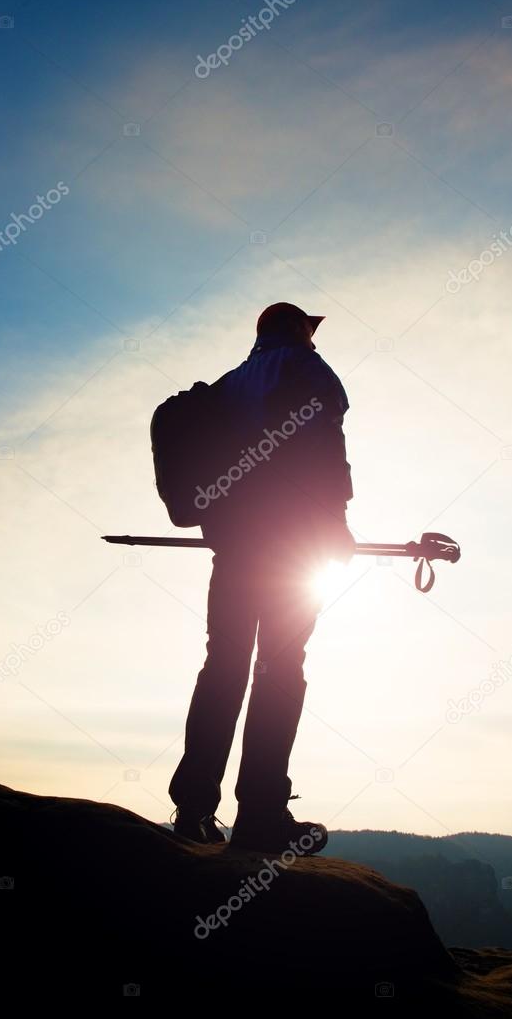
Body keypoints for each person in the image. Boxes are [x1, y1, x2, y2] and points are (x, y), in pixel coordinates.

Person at [169, 302, 355, 852]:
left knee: (222, 666)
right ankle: (262, 813)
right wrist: (337, 525)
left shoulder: (230, 384)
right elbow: (325, 453)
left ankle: (194, 809)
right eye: (309, 328)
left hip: (234, 547)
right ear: (299, 330)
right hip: (290, 548)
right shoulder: (308, 371)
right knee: (280, 669)